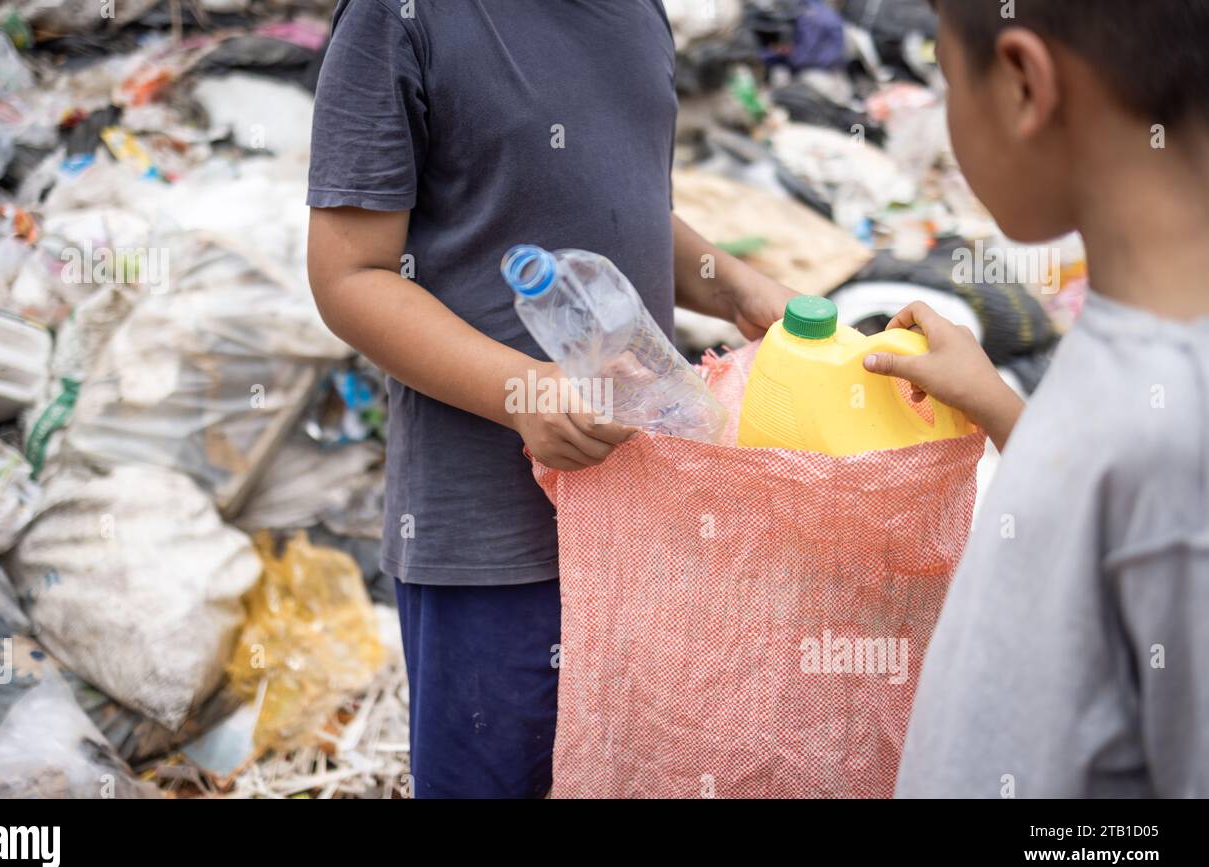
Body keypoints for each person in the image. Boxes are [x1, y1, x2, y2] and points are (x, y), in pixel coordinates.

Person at [305, 0, 794, 798]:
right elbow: (349, 274)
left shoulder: (639, 12)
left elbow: (607, 193)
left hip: (646, 529)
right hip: (493, 550)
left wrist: (730, 285)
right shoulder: (404, 18)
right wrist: (523, 390)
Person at [863, 0, 1209, 797]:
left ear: (1022, 82)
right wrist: (998, 406)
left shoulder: (1178, 437)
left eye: (950, 80)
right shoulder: (1142, 321)